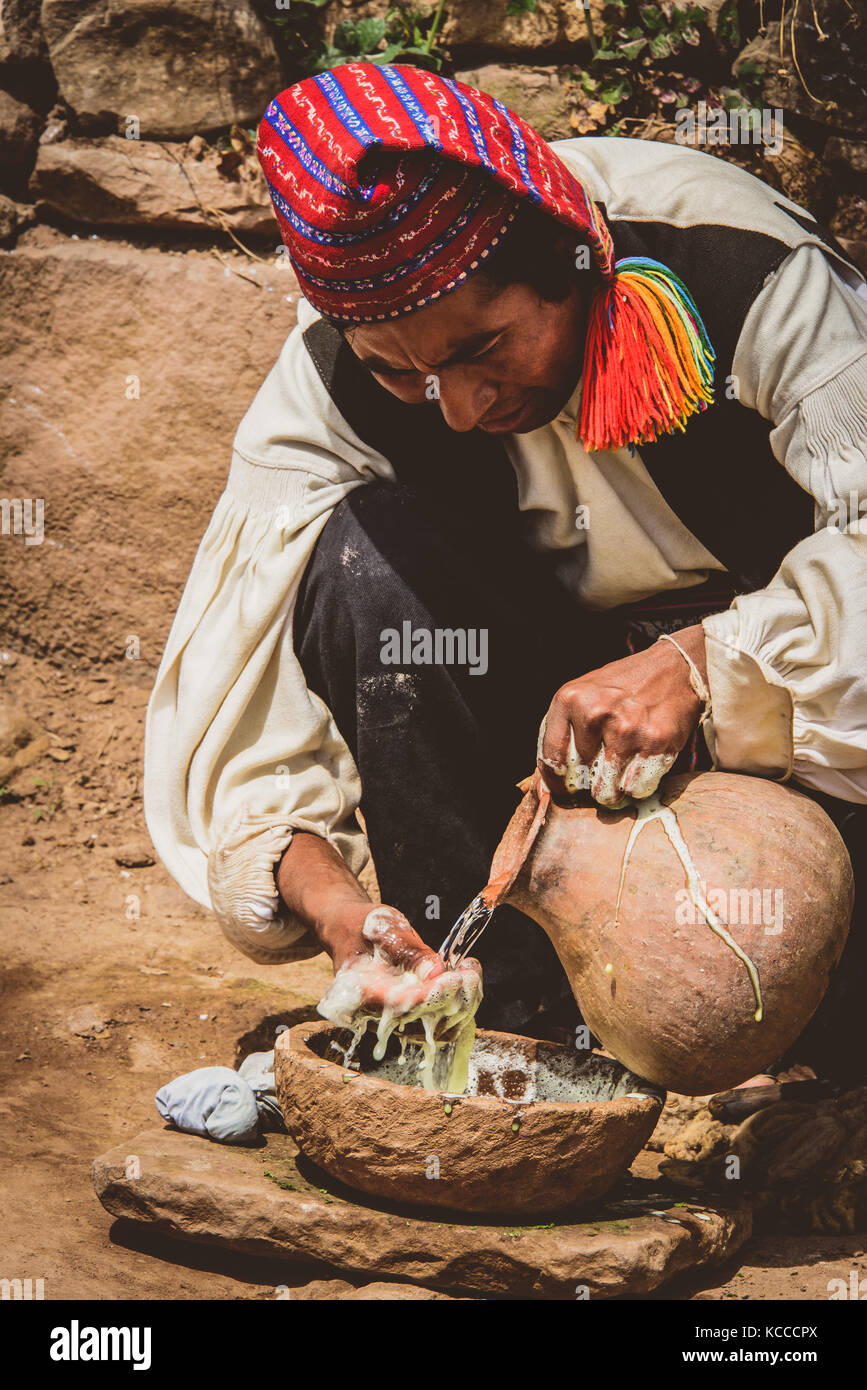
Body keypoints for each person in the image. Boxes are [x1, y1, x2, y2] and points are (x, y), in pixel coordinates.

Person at [144, 63, 867, 1076]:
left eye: (486, 348)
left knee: (818, 1019)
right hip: (544, 742)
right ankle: (510, 1031)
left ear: (565, 260)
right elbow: (247, 722)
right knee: (359, 564)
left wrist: (708, 662)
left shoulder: (735, 268)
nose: (457, 409)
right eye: (405, 373)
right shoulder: (331, 386)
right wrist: (342, 913)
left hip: (798, 745)